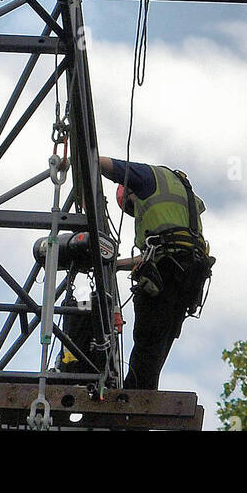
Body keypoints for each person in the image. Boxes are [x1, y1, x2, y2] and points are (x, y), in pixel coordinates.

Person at [99, 156, 213, 391]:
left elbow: (106, 164)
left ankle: (133, 401)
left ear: (131, 190)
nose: (135, 212)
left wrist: (77, 159)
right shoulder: (182, 198)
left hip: (167, 273)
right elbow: (159, 250)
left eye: (130, 207)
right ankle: (141, 394)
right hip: (190, 274)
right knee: (159, 345)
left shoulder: (147, 178)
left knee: (148, 341)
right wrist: (115, 264)